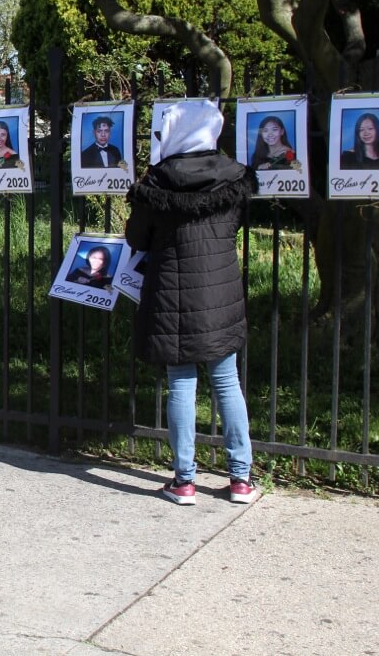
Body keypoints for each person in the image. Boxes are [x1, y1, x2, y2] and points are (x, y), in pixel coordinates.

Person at [125, 100, 258, 506]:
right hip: (220, 292)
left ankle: (184, 482)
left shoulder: (156, 184)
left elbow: (137, 239)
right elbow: (233, 228)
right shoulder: (234, 179)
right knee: (226, 382)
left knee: (181, 382)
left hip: (171, 293)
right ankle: (240, 480)